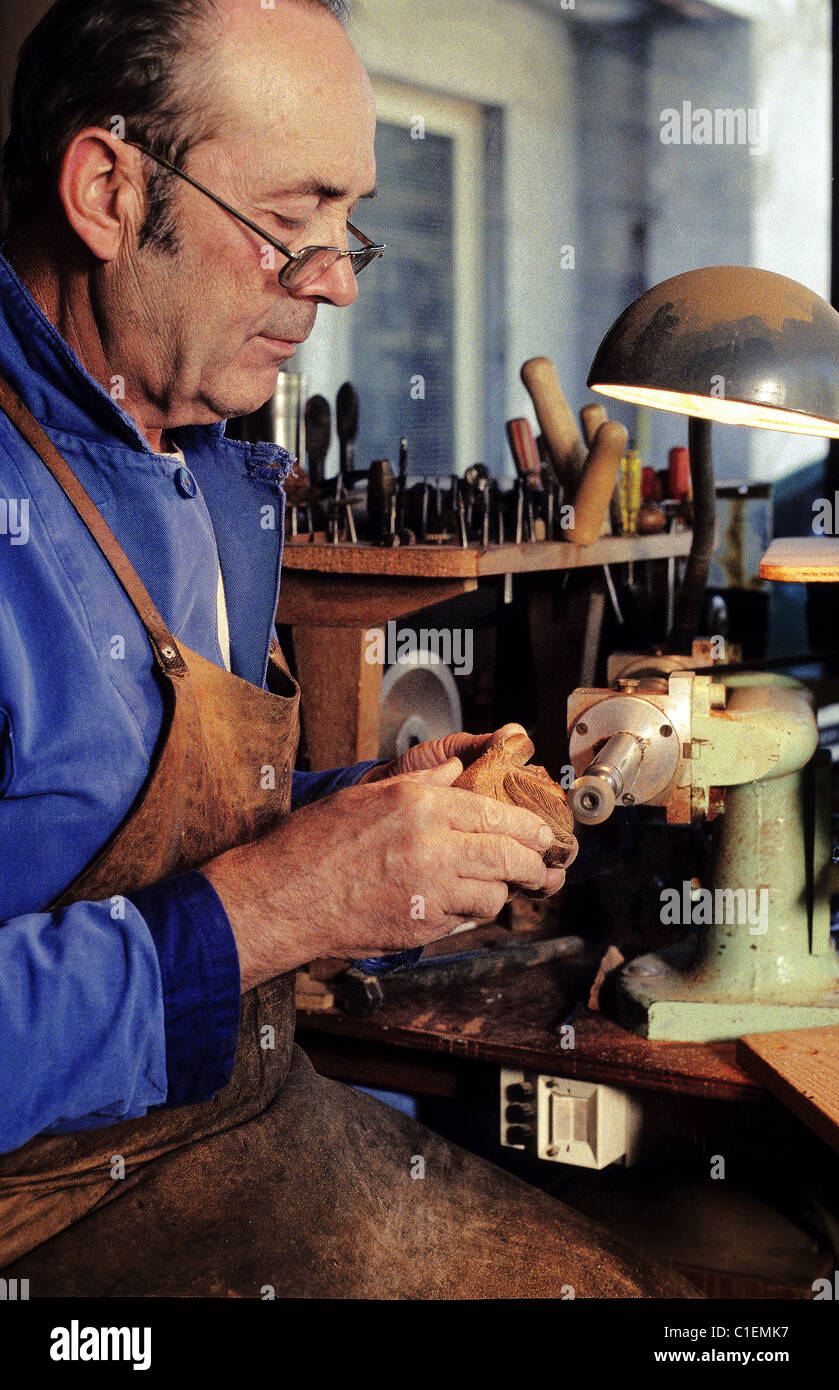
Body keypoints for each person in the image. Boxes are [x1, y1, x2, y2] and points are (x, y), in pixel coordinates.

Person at [0, 0, 696, 1298]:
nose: (339, 281)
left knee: (680, 1285)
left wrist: (387, 823)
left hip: (247, 1121)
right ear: (104, 189)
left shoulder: (208, 462)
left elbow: (159, 827)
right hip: (44, 1215)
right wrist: (292, 900)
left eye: (349, 225)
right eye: (290, 225)